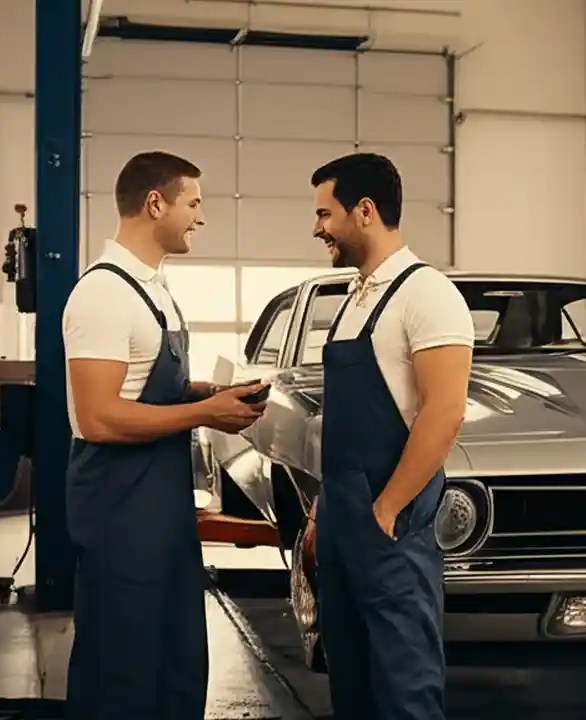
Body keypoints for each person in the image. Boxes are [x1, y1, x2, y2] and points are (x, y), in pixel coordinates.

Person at [61, 150, 268, 719]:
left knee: (174, 659)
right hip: (118, 508)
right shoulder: (104, 293)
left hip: (162, 510)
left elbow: (143, 385)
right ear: (156, 204)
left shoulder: (153, 288)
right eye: (193, 203)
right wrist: (204, 415)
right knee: (121, 668)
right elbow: (101, 416)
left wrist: (207, 392)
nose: (201, 218)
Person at [302, 152, 474, 720]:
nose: (318, 226)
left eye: (327, 213)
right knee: (350, 680)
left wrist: (388, 507)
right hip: (343, 522)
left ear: (366, 211)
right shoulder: (356, 297)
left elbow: (444, 412)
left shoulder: (427, 295)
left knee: (405, 687)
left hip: (389, 527)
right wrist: (321, 514)